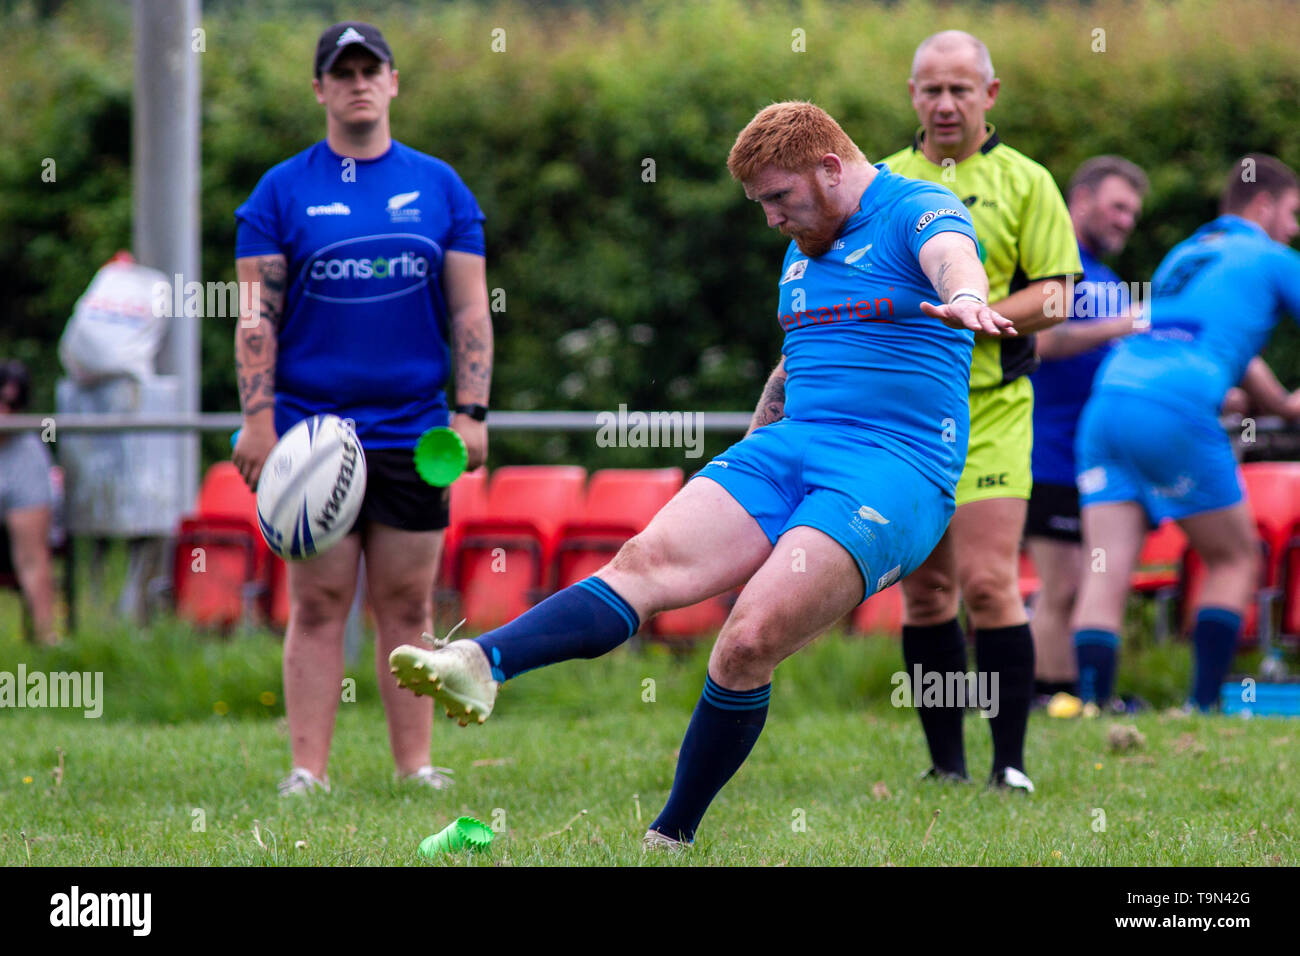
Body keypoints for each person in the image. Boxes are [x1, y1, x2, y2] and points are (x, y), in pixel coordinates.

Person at [389, 101, 1016, 848]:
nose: (771, 219)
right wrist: (747, 461)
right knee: (642, 561)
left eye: (778, 198)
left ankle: (670, 837)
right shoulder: (801, 252)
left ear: (829, 168)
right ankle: (478, 661)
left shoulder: (919, 204)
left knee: (747, 639)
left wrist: (969, 296)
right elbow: (796, 365)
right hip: (788, 448)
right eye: (760, 205)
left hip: (894, 469)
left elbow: (952, 253)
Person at [232, 21, 493, 795]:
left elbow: (472, 314)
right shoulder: (279, 192)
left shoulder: (441, 187)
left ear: (393, 81)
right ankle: (306, 772)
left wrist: (472, 412)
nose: (356, 82)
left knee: (407, 603)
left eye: (369, 69)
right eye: (340, 72)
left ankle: (414, 768)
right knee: (317, 603)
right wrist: (256, 419)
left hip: (415, 432)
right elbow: (255, 315)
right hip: (312, 435)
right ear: (319, 88)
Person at [880, 31, 1081, 791]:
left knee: (991, 584)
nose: (944, 104)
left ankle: (1011, 765)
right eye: (931, 89)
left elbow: (1058, 293)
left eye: (961, 89)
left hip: (994, 410)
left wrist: (982, 310)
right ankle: (946, 765)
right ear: (912, 96)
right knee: (926, 590)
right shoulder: (879, 183)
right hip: (906, 418)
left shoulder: (1027, 182)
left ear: (989, 96)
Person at [1071, 153, 1300, 712]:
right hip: (1174, 409)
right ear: (1264, 204)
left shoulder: (1188, 254)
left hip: (1109, 402)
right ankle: (1202, 705)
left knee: (1107, 565)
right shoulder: (1272, 258)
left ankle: (1093, 705)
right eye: (1293, 214)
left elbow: (1219, 341)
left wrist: (1278, 406)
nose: (1294, 229)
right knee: (1235, 556)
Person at [1026, 156, 1148, 705]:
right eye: (1118, 206)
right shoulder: (1056, 267)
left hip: (1097, 458)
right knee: (1064, 584)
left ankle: (1073, 695)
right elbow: (1045, 344)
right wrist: (1125, 325)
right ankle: (1051, 695)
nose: (1126, 221)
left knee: (1091, 582)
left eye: (1133, 213)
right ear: (1082, 201)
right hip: (1047, 451)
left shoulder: (1111, 281)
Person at [0, 360, 59, 645]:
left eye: (13, 404)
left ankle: (46, 641)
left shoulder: (29, 453)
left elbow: (31, 558)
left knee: (34, 558)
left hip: (10, 548)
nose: (5, 412)